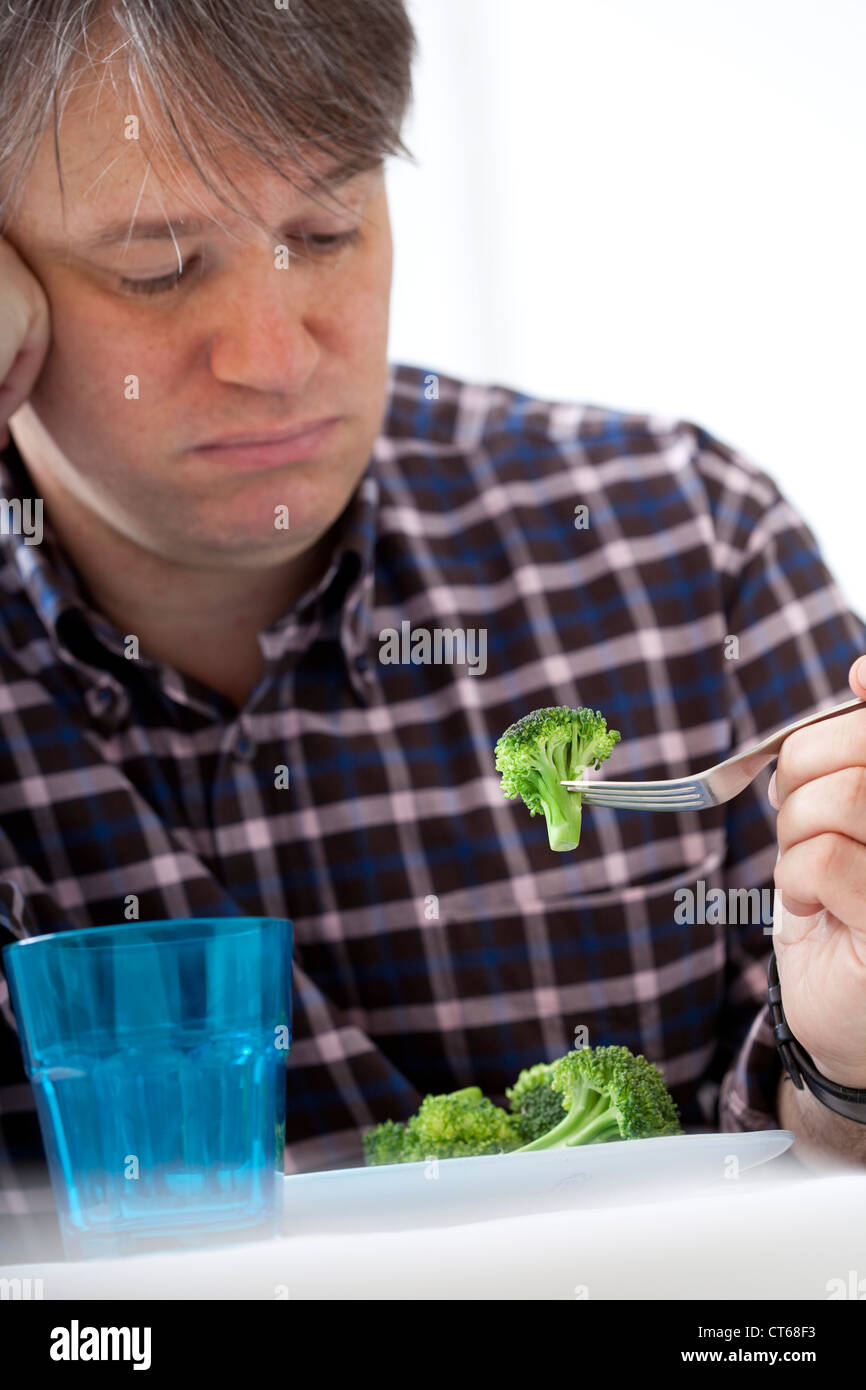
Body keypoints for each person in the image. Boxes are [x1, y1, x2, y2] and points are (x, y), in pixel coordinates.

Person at [2, 0, 866, 1260]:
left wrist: (842, 1070)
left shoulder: (686, 539)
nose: (273, 356)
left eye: (328, 227)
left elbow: (812, 1227)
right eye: (157, 268)